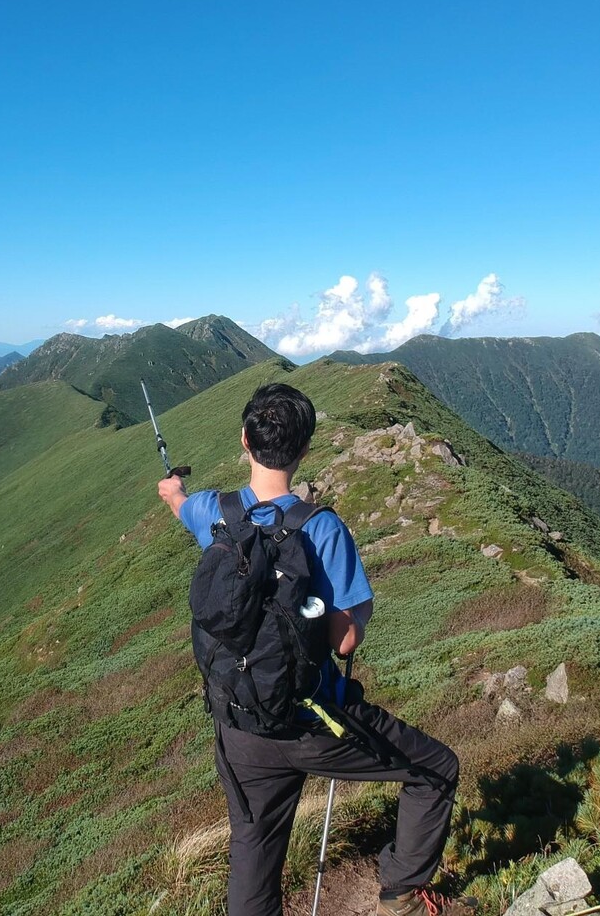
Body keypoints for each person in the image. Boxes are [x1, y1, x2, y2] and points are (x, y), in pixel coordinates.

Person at [158, 383, 474, 916]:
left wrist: (173, 490)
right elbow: (345, 639)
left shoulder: (215, 513)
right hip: (314, 723)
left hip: (239, 723)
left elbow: (180, 505)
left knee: (253, 847)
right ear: (305, 448)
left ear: (245, 440)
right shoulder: (320, 528)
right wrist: (348, 613)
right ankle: (400, 895)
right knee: (435, 769)